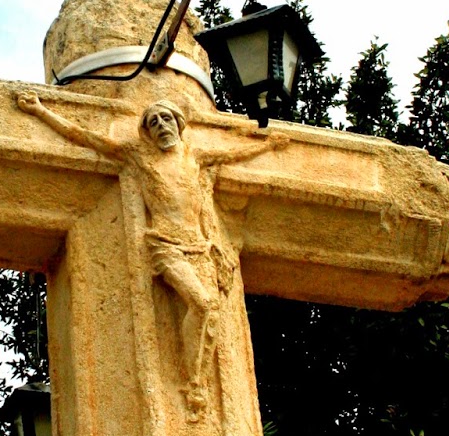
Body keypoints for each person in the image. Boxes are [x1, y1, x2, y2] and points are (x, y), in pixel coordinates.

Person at [16, 91, 287, 418]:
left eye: (166, 118)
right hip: (165, 244)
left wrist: (269, 145)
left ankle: (195, 376)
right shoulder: (139, 157)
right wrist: (41, 111)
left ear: (178, 123)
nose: (161, 126)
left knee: (209, 309)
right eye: (153, 122)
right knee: (201, 303)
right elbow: (85, 138)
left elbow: (233, 154)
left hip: (198, 246)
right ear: (146, 131)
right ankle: (194, 382)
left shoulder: (195, 157)